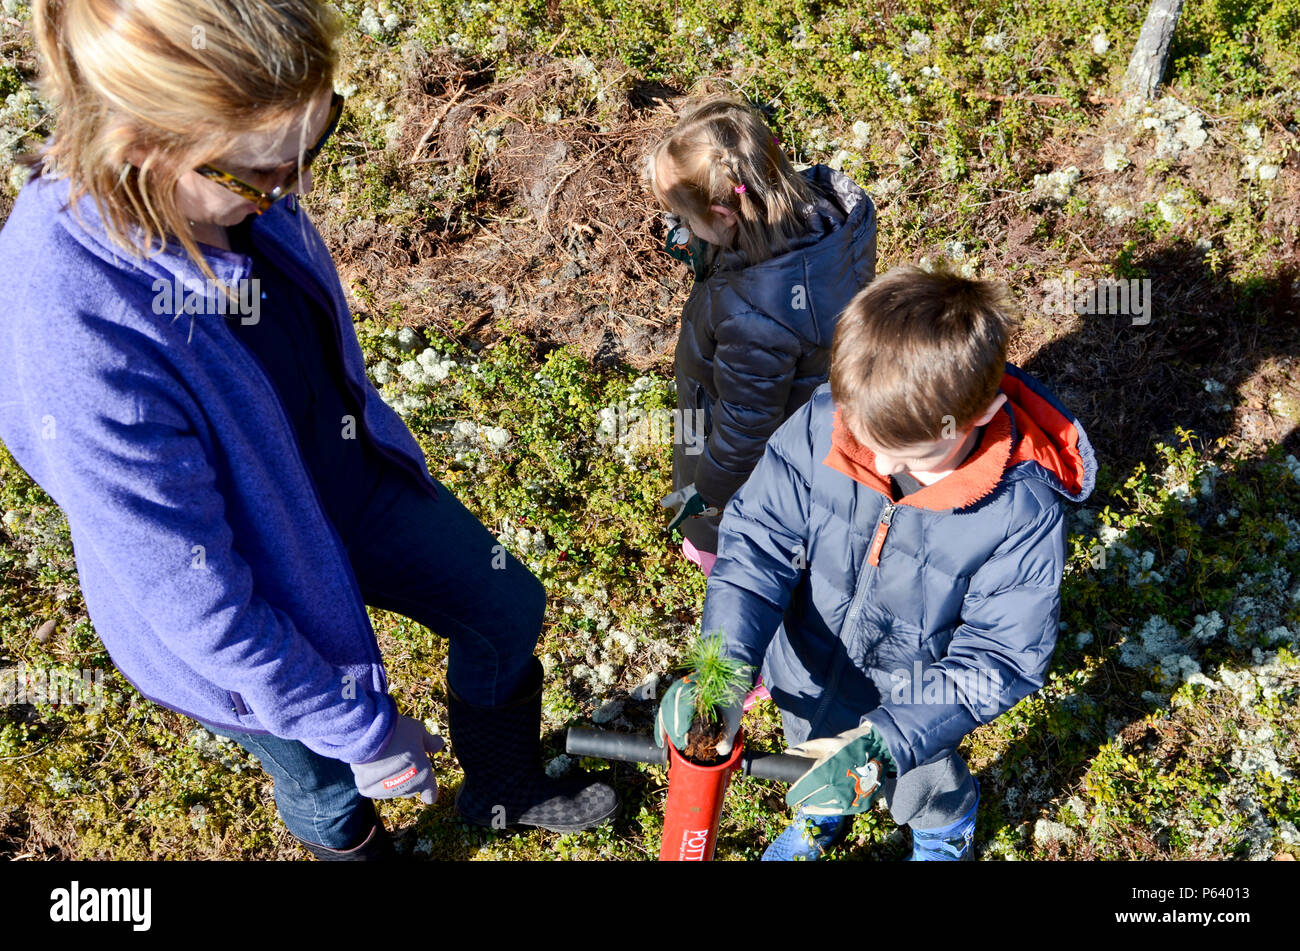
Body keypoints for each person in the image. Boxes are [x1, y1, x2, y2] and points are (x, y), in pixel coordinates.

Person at [0, 0, 614, 860]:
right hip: (241, 591)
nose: (291, 191)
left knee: (506, 603)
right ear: (145, 148)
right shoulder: (77, 332)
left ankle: (502, 788)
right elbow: (200, 602)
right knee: (321, 780)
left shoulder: (225, 172)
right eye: (263, 177)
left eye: (314, 146)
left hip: (347, 482)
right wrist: (359, 731)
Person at [655, 262, 1097, 860]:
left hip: (918, 700)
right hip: (807, 663)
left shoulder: (1019, 509)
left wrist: (886, 742)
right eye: (866, 440)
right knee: (808, 740)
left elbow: (1001, 655)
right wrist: (725, 670)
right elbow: (758, 541)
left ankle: (945, 829)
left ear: (982, 416)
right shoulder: (822, 423)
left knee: (923, 786)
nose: (881, 468)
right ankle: (822, 817)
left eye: (908, 452)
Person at [646, 96, 878, 579]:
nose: (679, 228)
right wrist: (695, 240)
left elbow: (741, 436)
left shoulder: (753, 318)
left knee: (728, 563)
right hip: (814, 431)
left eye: (685, 219)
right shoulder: (825, 218)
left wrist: (701, 503)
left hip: (748, 480)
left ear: (724, 215)